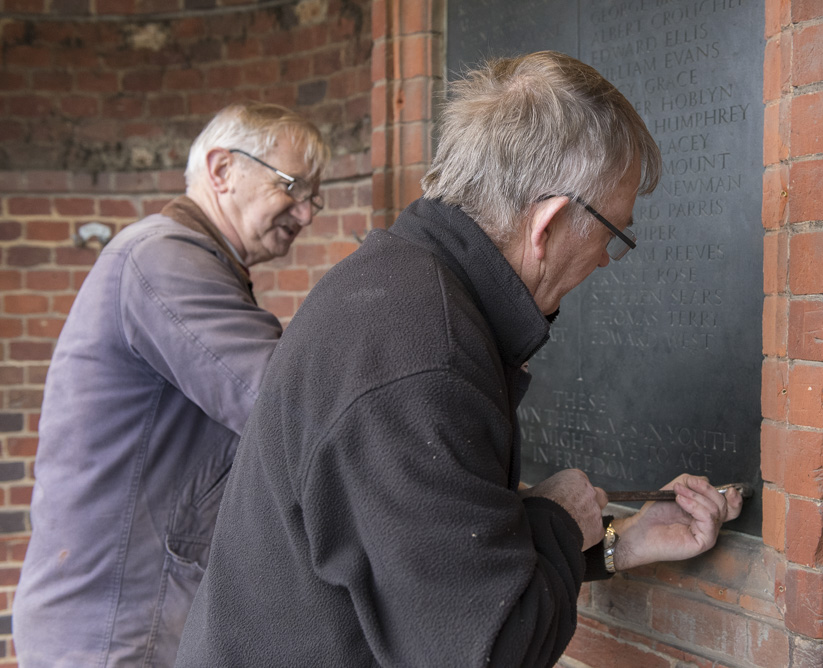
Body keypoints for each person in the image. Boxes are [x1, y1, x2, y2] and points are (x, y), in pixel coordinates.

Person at [175, 51, 742, 668]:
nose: (606, 260)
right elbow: (486, 651)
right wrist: (555, 519)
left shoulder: (401, 292)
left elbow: (421, 563)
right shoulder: (420, 356)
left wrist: (615, 544)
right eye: (614, 236)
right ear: (548, 225)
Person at [12, 101, 330, 667]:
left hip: (117, 622)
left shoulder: (184, 259)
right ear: (221, 169)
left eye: (316, 196)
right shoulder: (164, 260)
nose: (306, 213)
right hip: (117, 631)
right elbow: (286, 410)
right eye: (292, 186)